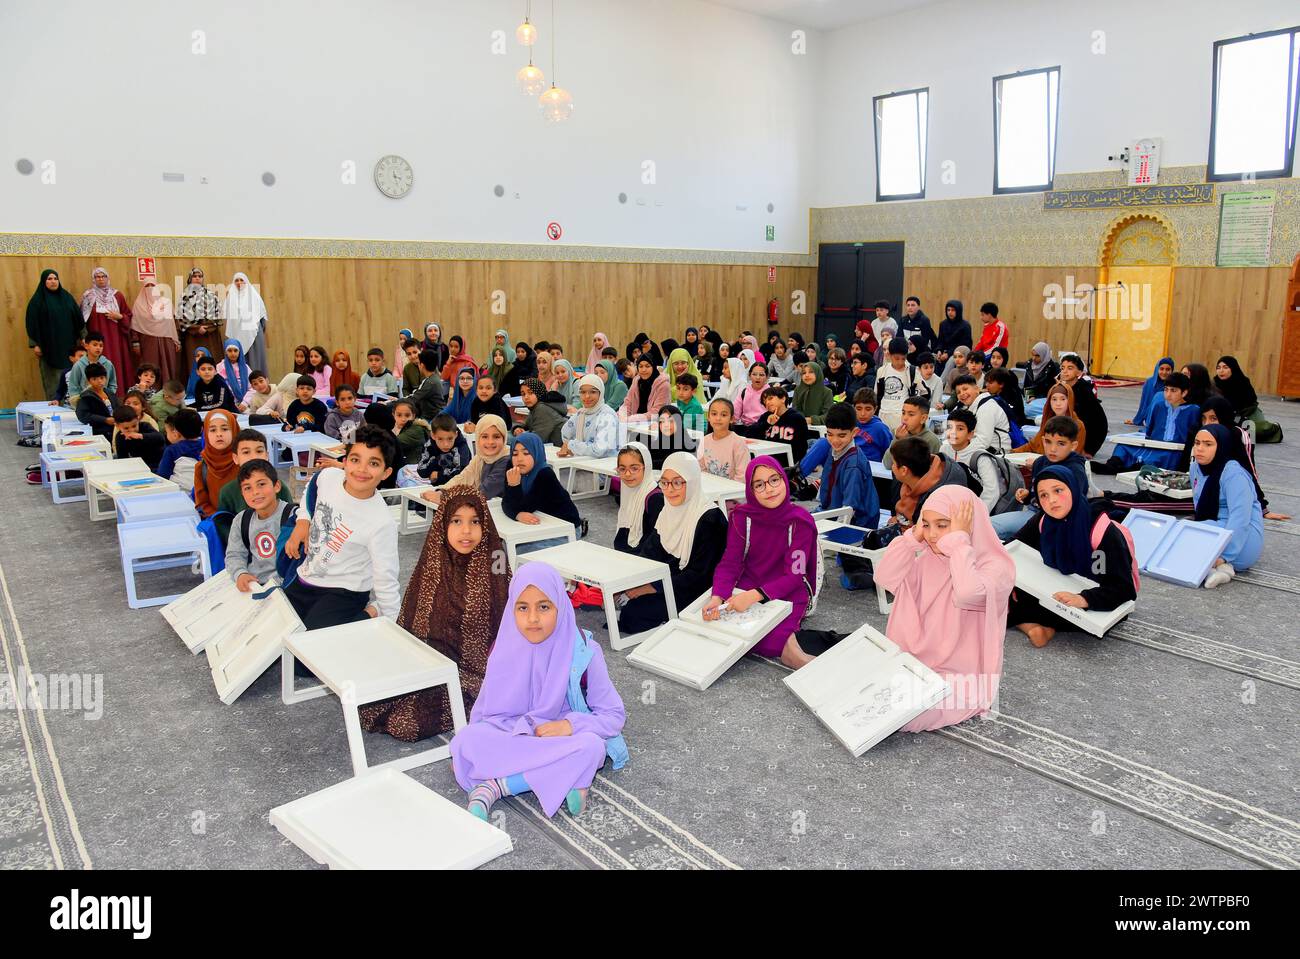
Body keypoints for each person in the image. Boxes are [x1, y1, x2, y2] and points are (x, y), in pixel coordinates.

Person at [449, 563, 627, 820]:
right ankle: (567, 777)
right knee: (467, 741)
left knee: (591, 747)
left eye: (544, 607)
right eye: (523, 608)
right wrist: (469, 749)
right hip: (510, 730)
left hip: (558, 737)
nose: (532, 618)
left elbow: (613, 716)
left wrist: (569, 725)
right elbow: (484, 713)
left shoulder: (584, 651)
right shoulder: (503, 647)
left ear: (560, 606)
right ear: (512, 609)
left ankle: (495, 786)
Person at [360, 487, 512, 742]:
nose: (466, 530)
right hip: (428, 664)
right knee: (369, 705)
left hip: (479, 675)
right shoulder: (433, 560)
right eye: (456, 521)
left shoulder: (496, 560)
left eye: (475, 521)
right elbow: (413, 626)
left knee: (406, 724)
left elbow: (508, 631)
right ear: (443, 522)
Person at [873, 486, 1013, 730]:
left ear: (970, 525)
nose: (933, 535)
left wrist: (959, 545)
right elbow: (884, 576)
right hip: (911, 662)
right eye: (926, 524)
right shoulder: (927, 556)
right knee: (858, 689)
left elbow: (968, 594)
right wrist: (912, 539)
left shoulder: (996, 566)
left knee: (896, 713)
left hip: (960, 677)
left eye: (943, 524)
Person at [703, 457, 820, 667]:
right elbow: (730, 562)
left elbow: (795, 576)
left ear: (785, 480)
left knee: (766, 633)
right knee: (720, 624)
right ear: (751, 490)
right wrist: (718, 596)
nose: (769, 489)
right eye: (759, 484)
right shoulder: (742, 517)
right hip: (747, 584)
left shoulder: (800, 521)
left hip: (788, 590)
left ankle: (794, 650)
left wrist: (755, 596)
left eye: (774, 480)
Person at [1008, 462, 1139, 647]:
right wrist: (1009, 582)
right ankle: (1035, 627)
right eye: (1043, 495)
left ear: (1073, 489)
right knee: (1002, 591)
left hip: (1098, 597)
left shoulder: (1102, 531)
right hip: (1058, 587)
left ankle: (1031, 624)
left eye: (1058, 490)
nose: (1051, 500)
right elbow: (1013, 547)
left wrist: (1084, 599)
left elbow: (1122, 589)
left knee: (1014, 606)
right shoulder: (1044, 520)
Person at [282, 425, 401, 627]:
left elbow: (386, 577)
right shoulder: (329, 477)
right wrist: (303, 520)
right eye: (355, 460)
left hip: (344, 591)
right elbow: (310, 490)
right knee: (278, 638)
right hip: (305, 577)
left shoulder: (382, 523)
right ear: (344, 462)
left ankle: (370, 614)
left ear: (386, 472)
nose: (362, 469)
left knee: (311, 649)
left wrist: (390, 619)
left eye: (373, 463)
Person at [619, 453, 727, 635]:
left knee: (632, 614)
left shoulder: (710, 519)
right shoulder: (668, 510)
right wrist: (626, 581)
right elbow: (650, 552)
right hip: (668, 578)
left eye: (677, 482)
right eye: (664, 482)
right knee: (615, 591)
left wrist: (651, 588)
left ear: (691, 482)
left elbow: (700, 576)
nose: (669, 489)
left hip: (696, 589)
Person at [1191, 425, 1265, 588]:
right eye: (1197, 443)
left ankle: (1222, 563)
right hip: (1217, 528)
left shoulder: (1233, 474)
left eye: (1208, 444)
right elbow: (1198, 503)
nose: (1200, 449)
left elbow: (1240, 519)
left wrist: (1225, 555)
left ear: (1222, 445)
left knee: (1186, 533)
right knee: (1185, 532)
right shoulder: (1195, 467)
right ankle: (1219, 571)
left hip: (1243, 540)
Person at [1093, 371, 1198, 474]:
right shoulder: (1159, 406)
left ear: (1184, 392)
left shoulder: (1193, 410)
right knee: (1122, 446)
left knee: (1163, 457)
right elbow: (1150, 430)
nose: (1168, 394)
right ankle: (1111, 465)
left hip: (1173, 450)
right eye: (1166, 390)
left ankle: (1129, 470)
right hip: (1154, 445)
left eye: (1173, 391)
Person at [800, 403, 879, 528]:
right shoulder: (833, 448)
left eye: (841, 435)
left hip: (855, 523)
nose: (835, 440)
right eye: (830, 434)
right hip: (829, 511)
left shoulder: (854, 465)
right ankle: (794, 480)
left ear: (854, 432)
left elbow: (848, 511)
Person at [214, 429, 295, 543]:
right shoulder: (228, 491)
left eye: (259, 451)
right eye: (246, 452)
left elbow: (290, 518)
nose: (254, 456)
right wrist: (241, 543)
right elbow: (223, 523)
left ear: (266, 455)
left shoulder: (277, 487)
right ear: (235, 458)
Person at [225, 459, 294, 591]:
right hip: (254, 584)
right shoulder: (241, 520)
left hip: (287, 586)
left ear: (277, 486)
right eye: (247, 488)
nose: (255, 492)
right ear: (242, 493)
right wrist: (240, 574)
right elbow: (234, 554)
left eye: (261, 484)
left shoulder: (293, 516)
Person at [502, 432, 583, 538]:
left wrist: (514, 486)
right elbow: (505, 502)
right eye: (515, 454)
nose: (519, 459)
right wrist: (517, 514)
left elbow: (525, 507)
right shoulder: (512, 468)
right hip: (540, 525)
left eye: (526, 453)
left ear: (537, 453)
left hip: (566, 529)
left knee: (524, 550)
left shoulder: (545, 475)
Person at [889, 434, 976, 526]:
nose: (892, 467)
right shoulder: (905, 481)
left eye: (894, 463)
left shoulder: (937, 499)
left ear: (904, 470)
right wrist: (899, 520)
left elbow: (930, 534)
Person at [26, 269, 86, 400]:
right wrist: (35, 344)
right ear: (43, 281)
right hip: (48, 347)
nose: (53, 282)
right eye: (49, 279)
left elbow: (78, 318)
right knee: (52, 380)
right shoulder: (37, 301)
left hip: (68, 345)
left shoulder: (67, 298)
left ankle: (73, 404)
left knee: (71, 376)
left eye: (55, 278)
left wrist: (83, 337)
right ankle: (54, 407)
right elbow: (31, 323)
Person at [941, 409, 1010, 516]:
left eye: (960, 428)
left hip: (974, 509)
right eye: (950, 427)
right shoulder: (944, 450)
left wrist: (976, 516)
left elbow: (991, 492)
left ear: (970, 434)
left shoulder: (980, 457)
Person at [80, 267, 135, 390]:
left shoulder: (117, 295)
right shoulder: (88, 296)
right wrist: (84, 337)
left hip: (116, 339)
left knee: (116, 364)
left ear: (107, 278)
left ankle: (118, 394)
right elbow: (82, 319)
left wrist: (119, 316)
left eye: (103, 276)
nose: (100, 279)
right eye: (97, 277)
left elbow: (128, 315)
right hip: (96, 341)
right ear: (93, 279)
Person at [437, 414, 511, 503]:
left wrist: (446, 497)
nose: (490, 442)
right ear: (477, 438)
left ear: (504, 438)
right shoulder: (480, 457)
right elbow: (463, 478)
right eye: (484, 436)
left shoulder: (507, 461)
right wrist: (442, 492)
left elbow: (485, 491)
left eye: (496, 437)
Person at [1214, 355, 1282, 443]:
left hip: (1248, 412)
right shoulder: (1214, 384)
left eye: (1225, 367)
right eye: (1218, 368)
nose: (1221, 371)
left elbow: (1250, 402)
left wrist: (1238, 418)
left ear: (1233, 368)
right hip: (1227, 416)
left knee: (1256, 432)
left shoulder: (1242, 382)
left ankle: (1274, 427)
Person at [614, 443, 663, 553]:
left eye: (634, 468)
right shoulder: (628, 492)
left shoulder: (655, 499)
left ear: (646, 468)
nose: (627, 474)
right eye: (622, 469)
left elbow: (656, 543)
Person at [130, 279, 180, 385]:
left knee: (168, 365)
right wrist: (135, 343)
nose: (150, 288)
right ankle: (151, 392)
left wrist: (177, 340)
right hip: (148, 342)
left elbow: (173, 323)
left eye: (152, 285)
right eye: (147, 286)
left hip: (167, 342)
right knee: (150, 367)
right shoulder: (139, 305)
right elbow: (135, 326)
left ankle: (168, 389)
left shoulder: (166, 303)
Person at [177, 268, 223, 382]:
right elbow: (180, 318)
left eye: (200, 276)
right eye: (194, 276)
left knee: (212, 360)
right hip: (193, 337)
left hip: (210, 335)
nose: (197, 278)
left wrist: (208, 328)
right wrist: (196, 329)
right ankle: (195, 386)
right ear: (190, 279)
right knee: (195, 362)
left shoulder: (211, 295)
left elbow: (219, 315)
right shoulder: (184, 297)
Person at [1014, 383, 1086, 457]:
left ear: (1070, 401)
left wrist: (1038, 463)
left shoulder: (1078, 426)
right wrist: (1010, 453)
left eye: (1063, 399)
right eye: (1054, 399)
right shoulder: (1048, 422)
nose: (1058, 403)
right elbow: (1032, 445)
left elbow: (1074, 455)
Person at [559, 374, 620, 459]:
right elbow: (565, 435)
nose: (587, 396)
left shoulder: (607, 415)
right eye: (583, 392)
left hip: (605, 467)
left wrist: (572, 446)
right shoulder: (581, 413)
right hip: (582, 463)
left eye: (593, 392)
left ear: (601, 393)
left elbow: (599, 450)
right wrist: (572, 446)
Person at [1058, 352, 1107, 456]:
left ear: (1079, 373)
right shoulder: (1065, 387)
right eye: (1062, 368)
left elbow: (1093, 423)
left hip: (1091, 435)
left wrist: (1087, 449)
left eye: (1070, 368)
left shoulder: (1083, 390)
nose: (1065, 372)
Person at [194, 409, 240, 519]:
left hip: (247, 524)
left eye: (224, 429)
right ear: (206, 434)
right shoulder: (202, 467)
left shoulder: (244, 462)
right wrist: (221, 519)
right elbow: (201, 503)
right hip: (217, 523)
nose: (219, 434)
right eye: (213, 430)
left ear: (234, 430)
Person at [223, 272, 269, 374]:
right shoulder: (231, 298)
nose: (239, 283)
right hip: (237, 337)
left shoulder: (254, 296)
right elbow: (230, 322)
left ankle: (259, 384)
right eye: (236, 280)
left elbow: (262, 319)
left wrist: (256, 331)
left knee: (255, 360)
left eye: (241, 280)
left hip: (254, 335)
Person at [749, 385, 809, 462]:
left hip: (788, 460)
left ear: (783, 399)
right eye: (764, 401)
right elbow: (749, 434)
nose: (767, 402)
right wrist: (767, 423)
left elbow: (802, 446)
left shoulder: (796, 418)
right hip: (765, 457)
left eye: (770, 398)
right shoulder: (765, 417)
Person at [697, 397, 751, 480]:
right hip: (710, 487)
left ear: (732, 419)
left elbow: (742, 475)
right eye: (714, 414)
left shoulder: (738, 442)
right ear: (708, 417)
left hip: (732, 490)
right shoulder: (704, 441)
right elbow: (700, 469)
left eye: (723, 415)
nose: (718, 418)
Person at [883, 396, 941, 469]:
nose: (905, 418)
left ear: (923, 418)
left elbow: (931, 471)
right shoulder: (899, 434)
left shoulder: (931, 440)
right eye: (903, 413)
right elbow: (888, 464)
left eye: (911, 414)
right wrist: (898, 440)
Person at [875, 338, 916, 431]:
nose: (900, 362)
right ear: (889, 355)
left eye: (903, 359)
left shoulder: (911, 371)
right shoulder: (882, 371)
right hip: (884, 414)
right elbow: (877, 394)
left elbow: (923, 393)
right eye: (897, 358)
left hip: (901, 416)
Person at [66, 330, 118, 402]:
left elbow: (112, 384)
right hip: (85, 401)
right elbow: (73, 386)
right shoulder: (78, 365)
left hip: (104, 401)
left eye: (101, 345)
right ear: (86, 346)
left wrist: (108, 396)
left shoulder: (108, 364)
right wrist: (78, 402)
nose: (98, 348)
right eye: (95, 345)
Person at [155, 408, 204, 484]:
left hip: (182, 492)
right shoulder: (208, 446)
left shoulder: (172, 450)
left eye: (167, 432)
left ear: (175, 434)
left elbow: (163, 477)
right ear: (201, 429)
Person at [619, 357, 670, 423]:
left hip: (655, 425)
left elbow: (657, 411)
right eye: (640, 366)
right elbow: (627, 402)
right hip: (635, 424)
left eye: (647, 366)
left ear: (653, 367)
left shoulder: (663, 384)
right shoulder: (636, 381)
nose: (643, 370)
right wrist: (620, 416)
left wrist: (631, 419)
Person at [1127, 357, 1174, 427]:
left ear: (1172, 370)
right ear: (1157, 369)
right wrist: (1137, 420)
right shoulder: (1150, 382)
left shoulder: (1175, 384)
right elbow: (1144, 403)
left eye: (1168, 369)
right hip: (1150, 419)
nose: (1164, 372)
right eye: (1161, 369)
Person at [518, 378, 567, 445]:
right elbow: (527, 425)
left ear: (538, 393)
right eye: (523, 394)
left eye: (530, 393)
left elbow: (537, 439)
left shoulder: (542, 408)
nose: (526, 397)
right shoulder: (534, 407)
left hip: (559, 449)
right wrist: (518, 428)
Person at [74, 364, 117, 439]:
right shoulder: (86, 396)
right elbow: (83, 416)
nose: (99, 381)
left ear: (106, 378)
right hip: (98, 432)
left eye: (102, 378)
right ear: (88, 381)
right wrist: (105, 420)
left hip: (115, 428)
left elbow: (117, 408)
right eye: (94, 379)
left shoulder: (110, 393)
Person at [391, 398, 429, 469]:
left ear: (413, 416)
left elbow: (393, 443)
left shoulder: (417, 430)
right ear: (393, 415)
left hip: (415, 469)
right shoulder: (395, 427)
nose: (403, 419)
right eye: (399, 415)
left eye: (407, 415)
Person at [935, 300, 972, 367]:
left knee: (951, 361)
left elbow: (964, 345)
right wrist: (939, 351)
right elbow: (940, 341)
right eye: (948, 310)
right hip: (944, 353)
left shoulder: (965, 326)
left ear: (958, 311)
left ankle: (943, 378)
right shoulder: (943, 324)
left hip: (959, 354)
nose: (950, 312)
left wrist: (948, 354)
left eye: (953, 310)